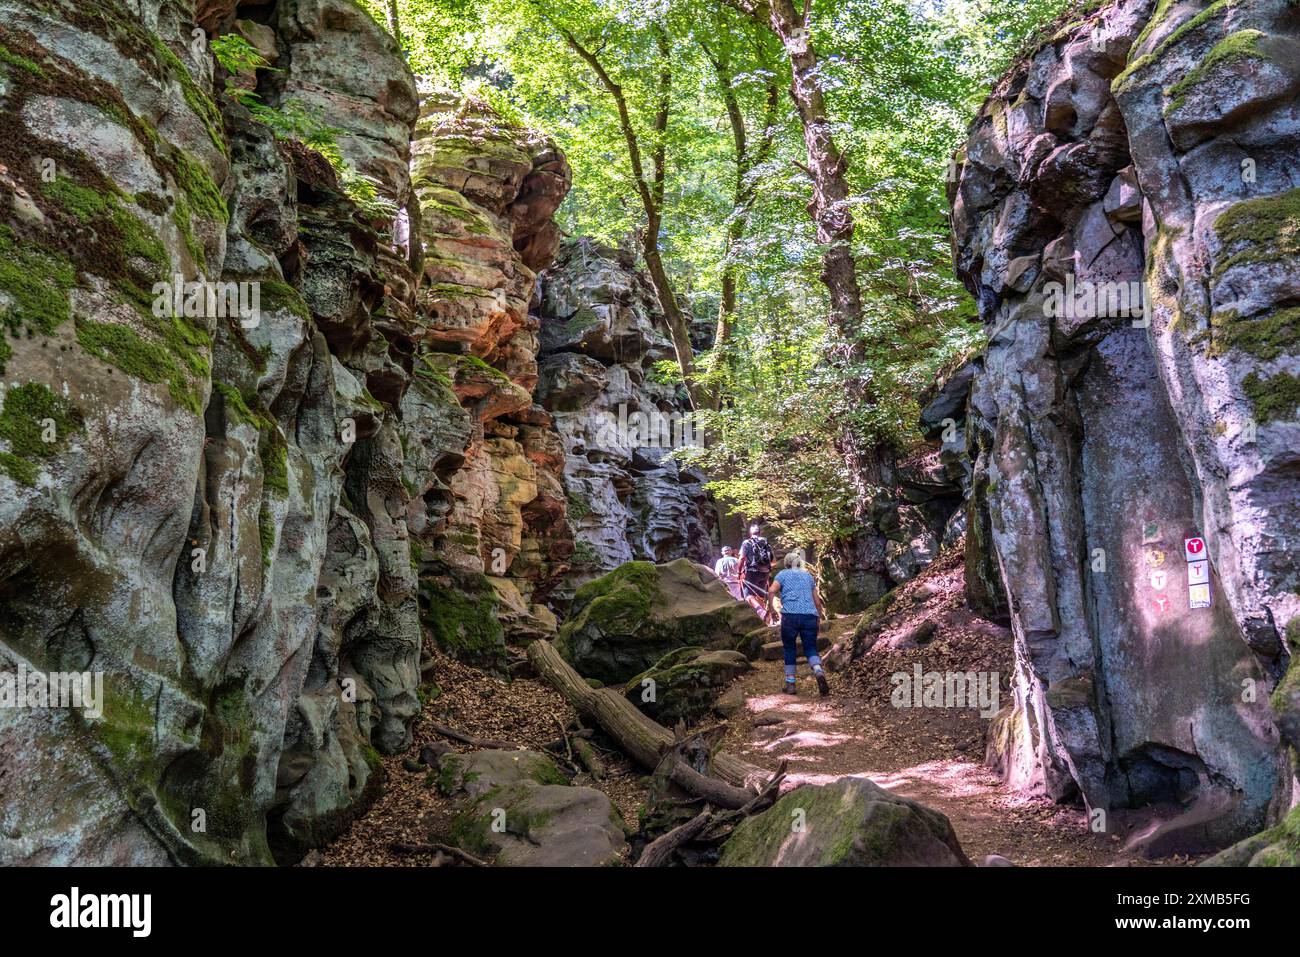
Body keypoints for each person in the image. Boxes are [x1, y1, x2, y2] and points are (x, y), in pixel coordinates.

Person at [766, 549, 830, 697]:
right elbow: (817, 601)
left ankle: (791, 684)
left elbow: (771, 591)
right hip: (809, 616)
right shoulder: (808, 576)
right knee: (810, 648)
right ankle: (819, 672)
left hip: (790, 617)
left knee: (789, 649)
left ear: (786, 563)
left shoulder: (782, 575)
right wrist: (818, 616)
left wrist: (772, 610)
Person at [738, 523, 774, 620]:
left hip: (752, 571)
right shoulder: (765, 542)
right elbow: (772, 559)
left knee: (748, 595)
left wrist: (739, 572)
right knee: (760, 595)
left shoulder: (747, 542)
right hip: (765, 571)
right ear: (760, 532)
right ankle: (765, 619)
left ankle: (761, 612)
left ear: (750, 533)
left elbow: (742, 558)